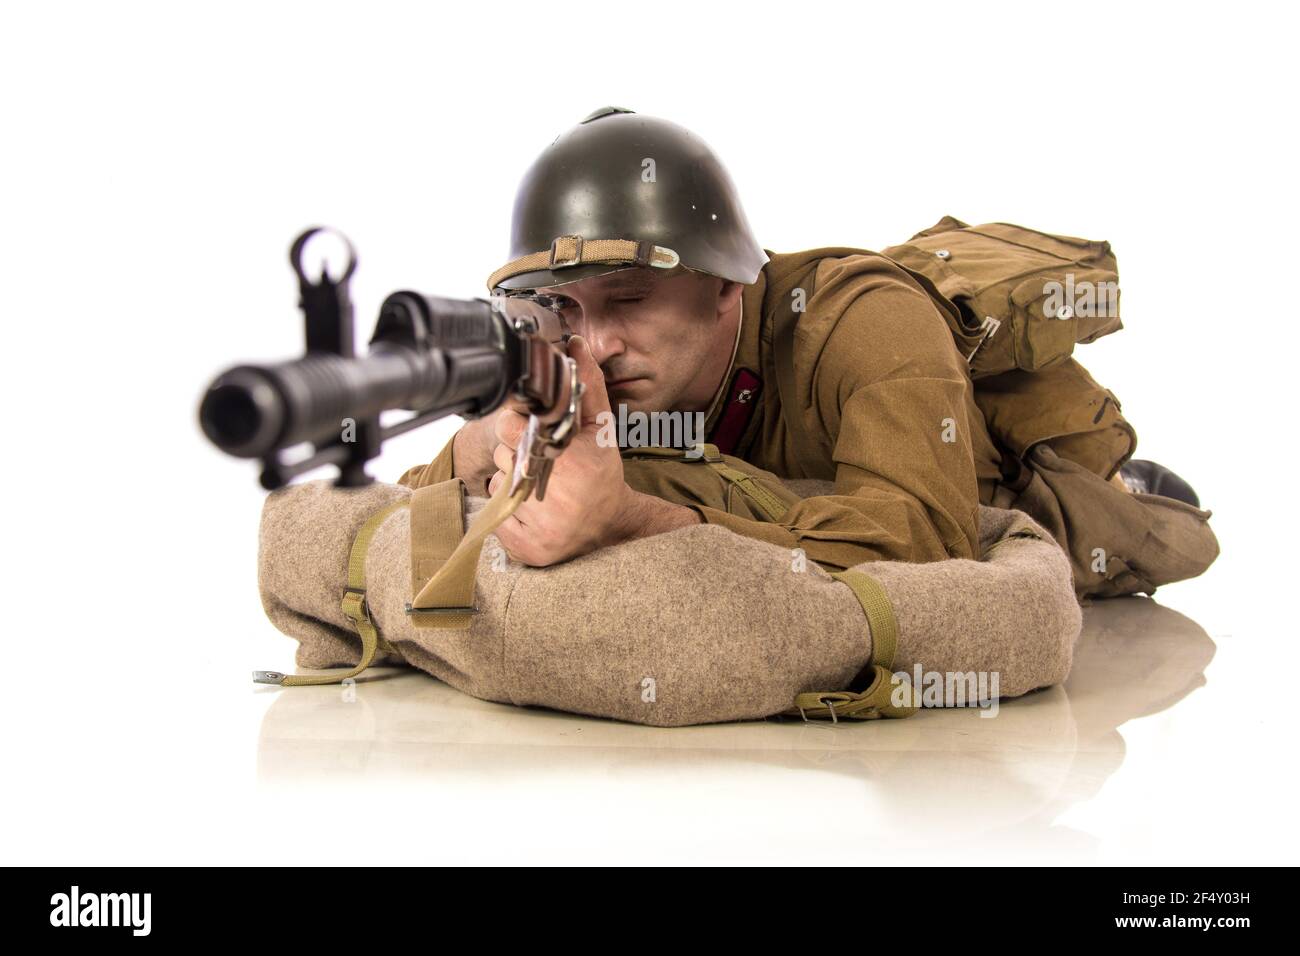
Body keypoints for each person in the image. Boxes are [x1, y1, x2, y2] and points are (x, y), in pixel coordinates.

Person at [399, 107, 1218, 599]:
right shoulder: (583, 368)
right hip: (786, 497)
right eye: (567, 311)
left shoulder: (863, 319)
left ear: (726, 285)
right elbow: (400, 506)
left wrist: (628, 519)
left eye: (631, 298)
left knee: (1121, 535)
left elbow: (923, 553)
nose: (599, 343)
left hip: (1021, 487)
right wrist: (483, 442)